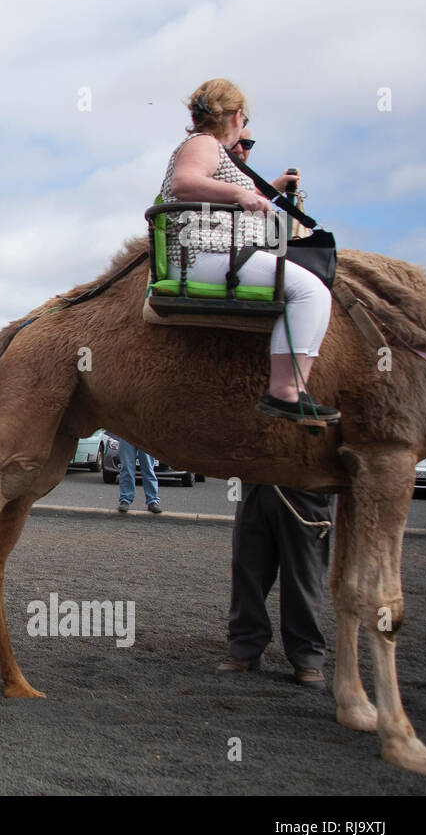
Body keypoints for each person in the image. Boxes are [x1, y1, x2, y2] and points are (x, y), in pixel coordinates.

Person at [159, 78, 337, 425]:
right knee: (310, 290)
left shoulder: (211, 148)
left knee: (312, 289)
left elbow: (218, 187)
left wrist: (268, 189)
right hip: (206, 255)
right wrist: (242, 196)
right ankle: (285, 391)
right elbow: (184, 182)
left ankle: (294, 388)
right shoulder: (204, 143)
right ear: (238, 115)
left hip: (217, 253)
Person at [217, 484, 332, 687]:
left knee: (304, 576)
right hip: (256, 481)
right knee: (247, 570)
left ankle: (307, 655)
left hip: (305, 485)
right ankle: (245, 646)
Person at [116, 439, 161, 514]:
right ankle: (125, 499)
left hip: (145, 434)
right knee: (126, 468)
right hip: (127, 432)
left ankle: (152, 501)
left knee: (148, 468)